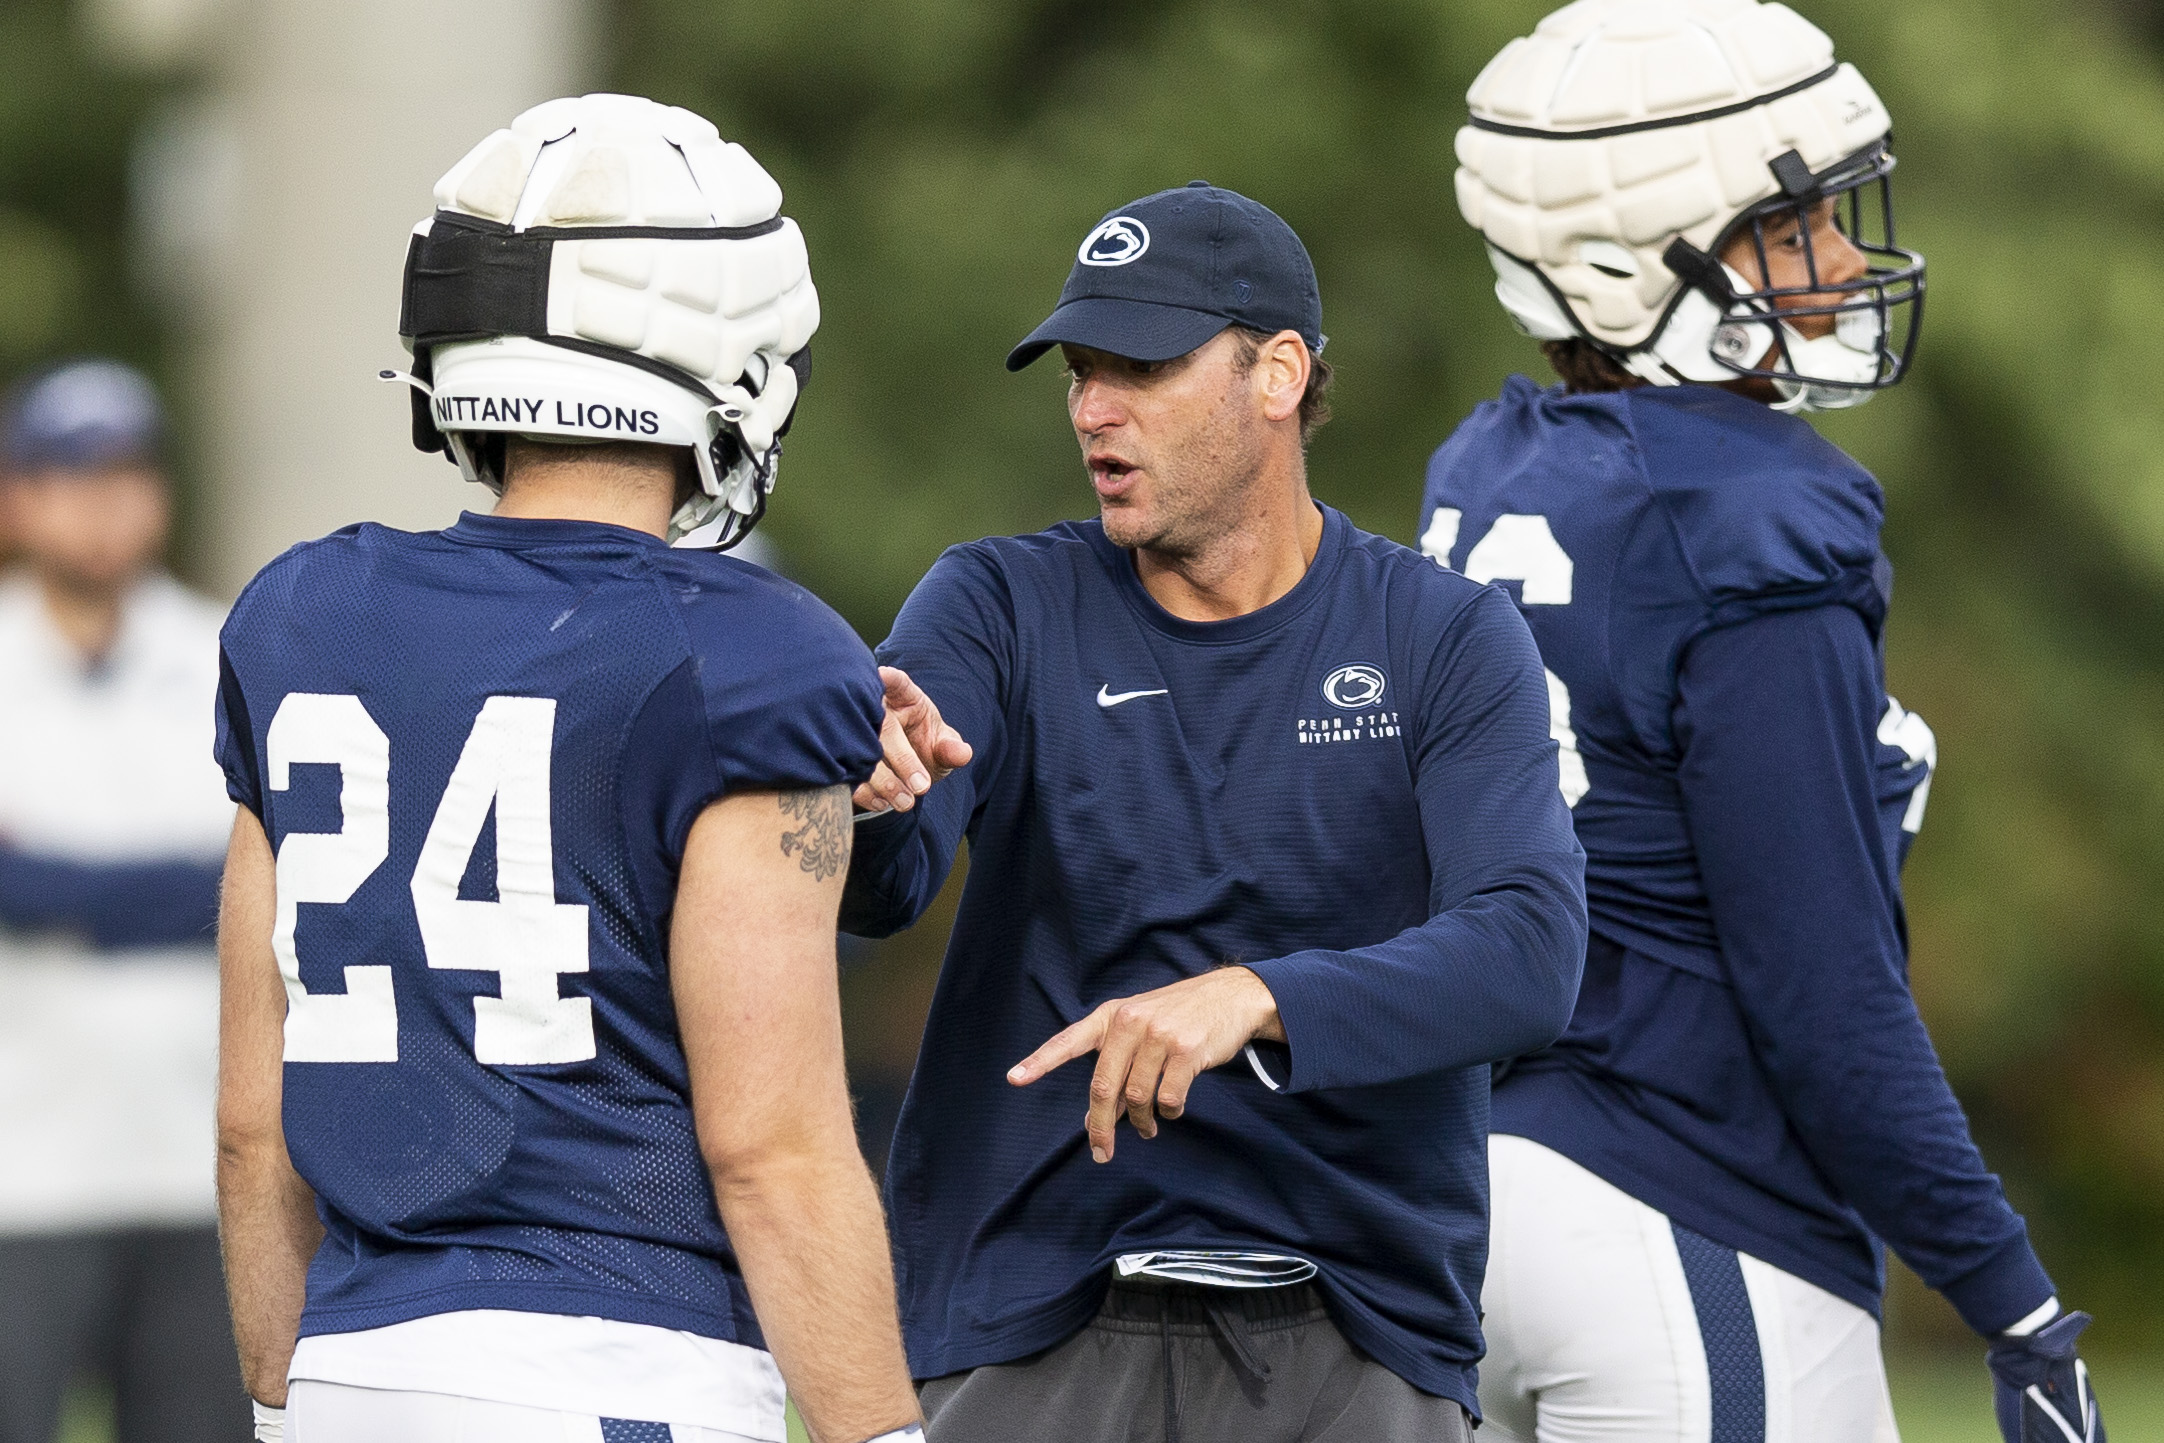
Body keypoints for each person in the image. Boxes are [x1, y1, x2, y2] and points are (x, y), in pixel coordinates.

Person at [1430, 3, 2103, 1440]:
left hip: (1455, 1196)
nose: (1845, 258)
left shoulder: (1490, 466)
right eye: (1792, 226)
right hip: (1684, 1209)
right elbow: (1824, 994)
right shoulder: (1749, 517)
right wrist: (2013, 1296)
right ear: (1623, 267)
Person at [213, 93, 921, 1443]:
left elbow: (256, 1118)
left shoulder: (296, 613)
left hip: (348, 1363)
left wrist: (285, 1395)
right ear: (736, 352)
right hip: (615, 1363)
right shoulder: (755, 652)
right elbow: (772, 1151)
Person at [841, 181, 1589, 1442]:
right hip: (1031, 1316)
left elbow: (1527, 954)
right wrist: (863, 801)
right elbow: (885, 887)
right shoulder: (992, 603)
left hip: (1357, 1329)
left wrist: (1262, 997)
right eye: (1080, 371)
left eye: (1139, 365)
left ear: (1278, 374)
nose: (1092, 410)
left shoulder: (1445, 636)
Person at [0, 360, 247, 1443]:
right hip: (22, 1166)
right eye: (71, 473)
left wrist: (60, 891)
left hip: (198, 1162)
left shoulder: (226, 653)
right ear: (21, 494)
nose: (101, 501)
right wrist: (184, 891)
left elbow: (264, 881)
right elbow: (219, 885)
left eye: (126, 473)